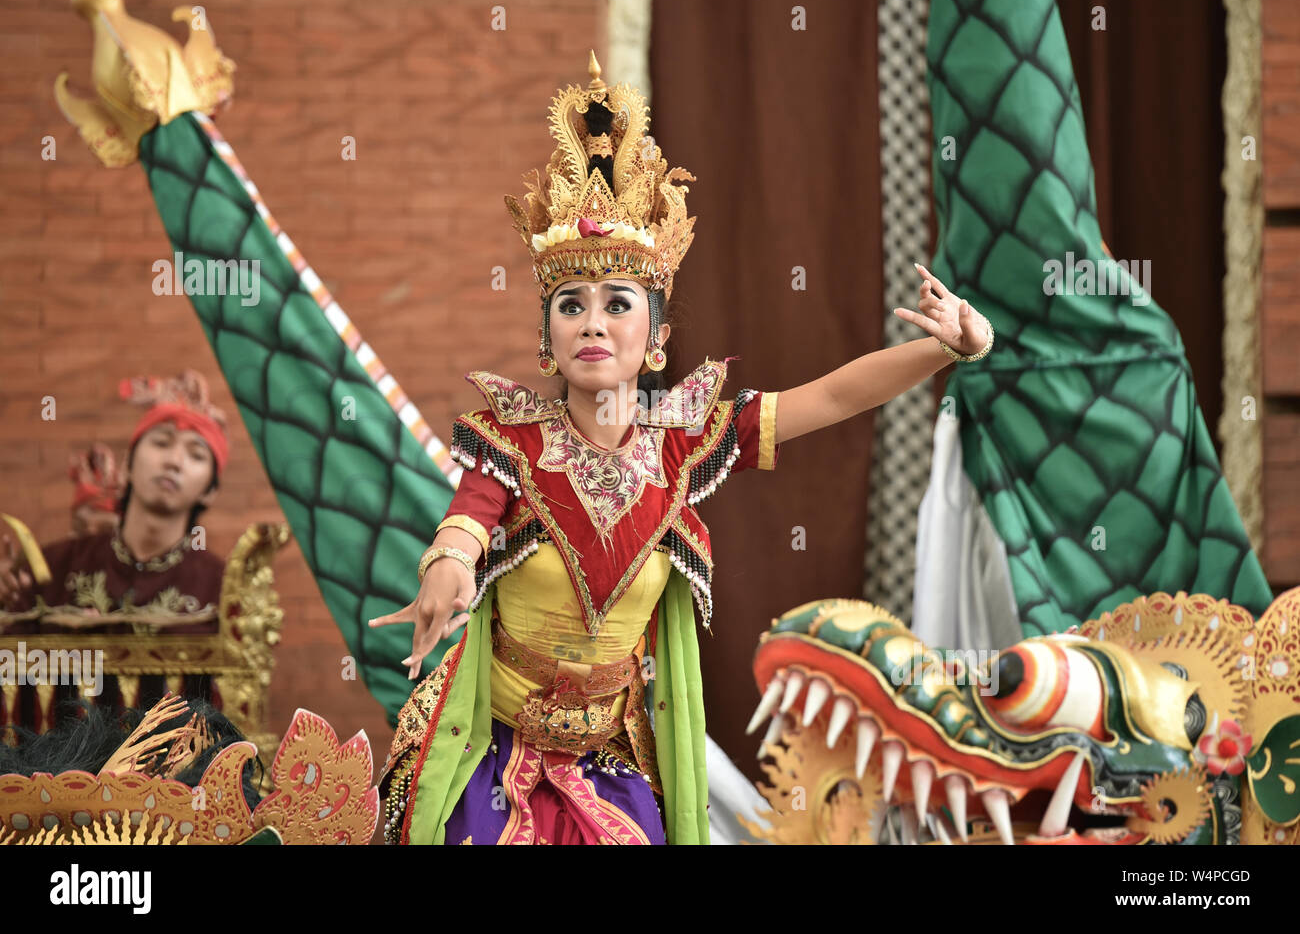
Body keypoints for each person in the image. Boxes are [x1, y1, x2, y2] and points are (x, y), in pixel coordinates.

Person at [373, 53, 993, 845]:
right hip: (493, 765)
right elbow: (467, 516)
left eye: (617, 302)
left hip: (614, 764)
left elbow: (834, 396)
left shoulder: (689, 440)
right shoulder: (512, 436)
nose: (592, 321)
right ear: (545, 342)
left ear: (658, 339)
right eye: (570, 305)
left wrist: (952, 351)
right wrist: (448, 566)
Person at [1, 370, 231, 715]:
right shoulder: (54, 566)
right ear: (126, 467)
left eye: (196, 455)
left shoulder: (222, 587)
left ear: (210, 490)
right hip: (61, 764)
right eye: (161, 442)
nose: (174, 461)